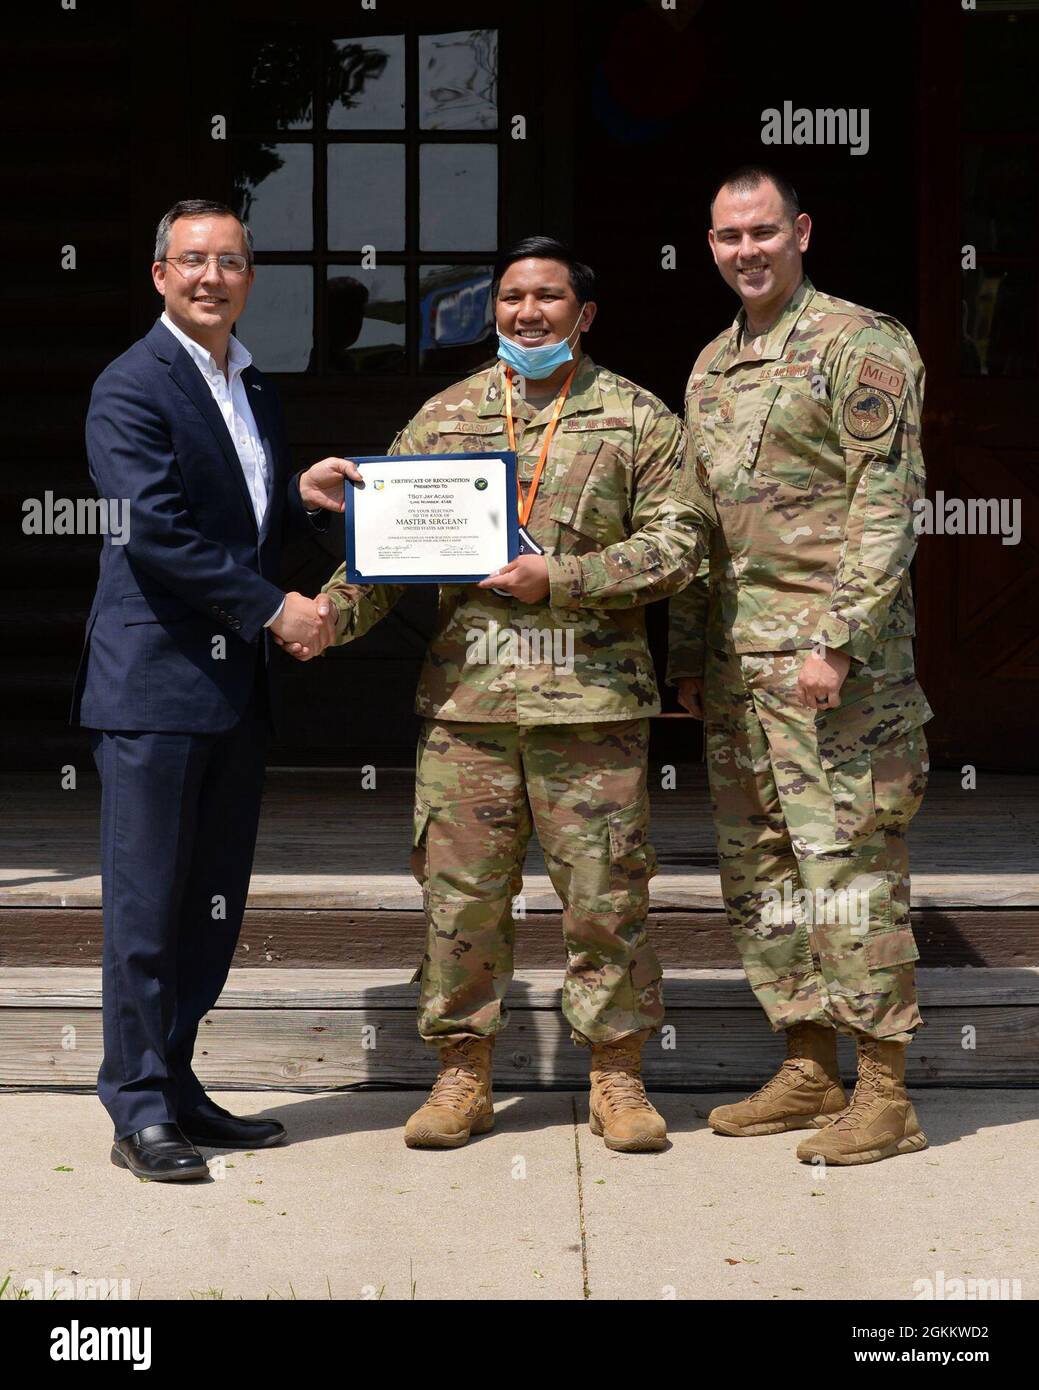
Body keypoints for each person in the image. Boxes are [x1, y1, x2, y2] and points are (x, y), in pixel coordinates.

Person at [303, 236, 715, 1152]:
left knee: (605, 898)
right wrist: (323, 616)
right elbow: (384, 555)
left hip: (591, 710)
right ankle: (461, 1075)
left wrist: (558, 577)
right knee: (460, 902)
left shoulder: (638, 420)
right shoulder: (445, 418)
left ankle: (616, 1076)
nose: (527, 314)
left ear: (585, 314)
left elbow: (680, 549)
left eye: (548, 299)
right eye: (511, 299)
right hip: (470, 711)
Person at [71, 199, 353, 1181]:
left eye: (228, 261)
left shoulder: (253, 385)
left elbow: (237, 523)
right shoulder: (130, 386)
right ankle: (137, 1105)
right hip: (154, 688)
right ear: (160, 275)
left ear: (248, 275)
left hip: (233, 693)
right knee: (147, 906)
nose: (210, 277)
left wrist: (299, 500)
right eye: (192, 261)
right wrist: (277, 609)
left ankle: (178, 1083)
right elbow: (154, 529)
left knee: (210, 907)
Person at [667, 167, 933, 1165]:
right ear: (709, 245)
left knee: (849, 869)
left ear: (802, 233)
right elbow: (702, 524)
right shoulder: (709, 366)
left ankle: (885, 1090)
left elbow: (883, 502)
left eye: (764, 231)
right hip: (740, 670)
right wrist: (693, 654)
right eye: (728, 234)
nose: (747, 250)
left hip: (833, 672)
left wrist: (838, 639)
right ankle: (807, 1062)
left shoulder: (859, 344)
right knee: (764, 869)